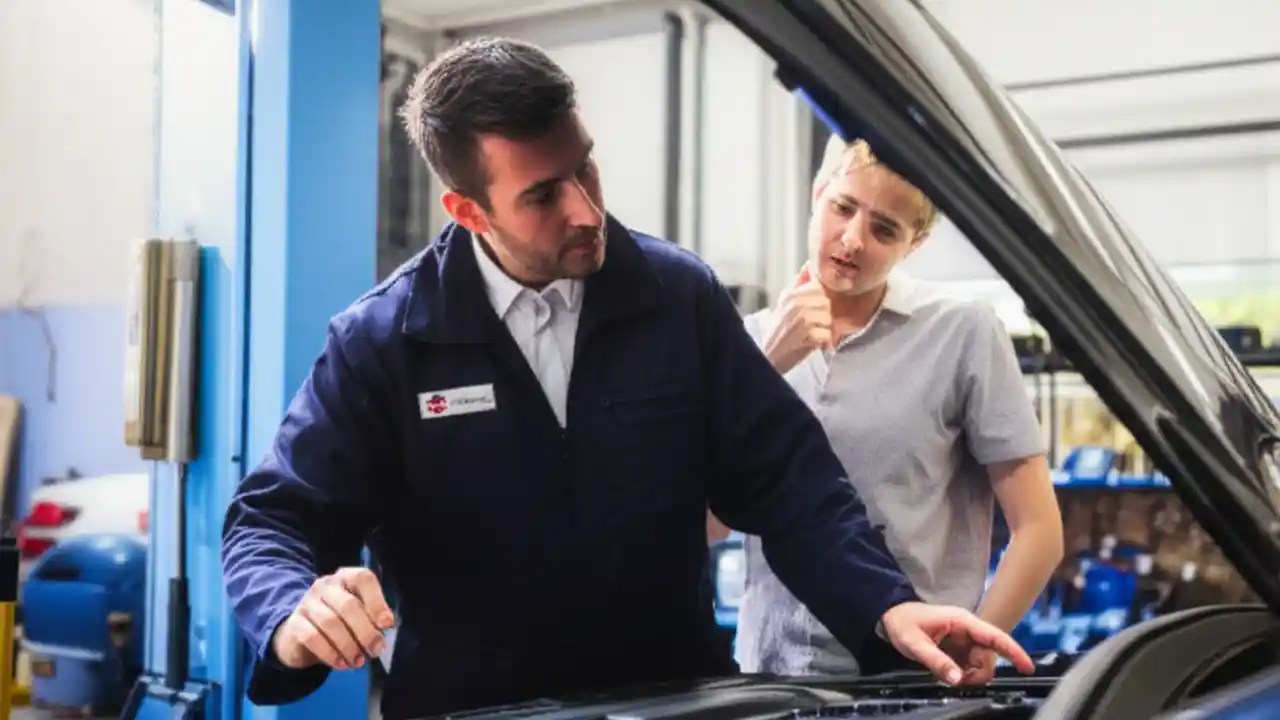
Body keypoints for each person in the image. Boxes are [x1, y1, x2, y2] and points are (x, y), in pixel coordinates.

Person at [220, 38, 1034, 719]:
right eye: (542, 194)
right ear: (468, 212)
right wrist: (292, 609)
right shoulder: (387, 341)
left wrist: (887, 609)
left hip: (672, 703)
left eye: (586, 169)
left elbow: (792, 483)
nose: (585, 210)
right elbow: (270, 523)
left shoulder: (676, 298)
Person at [733, 134, 1064, 683]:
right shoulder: (749, 339)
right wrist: (766, 369)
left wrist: (975, 640)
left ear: (916, 241)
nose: (853, 239)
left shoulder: (962, 332)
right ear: (818, 194)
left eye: (885, 229)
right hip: (768, 679)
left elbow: (1039, 529)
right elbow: (709, 522)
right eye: (843, 208)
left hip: (910, 681)